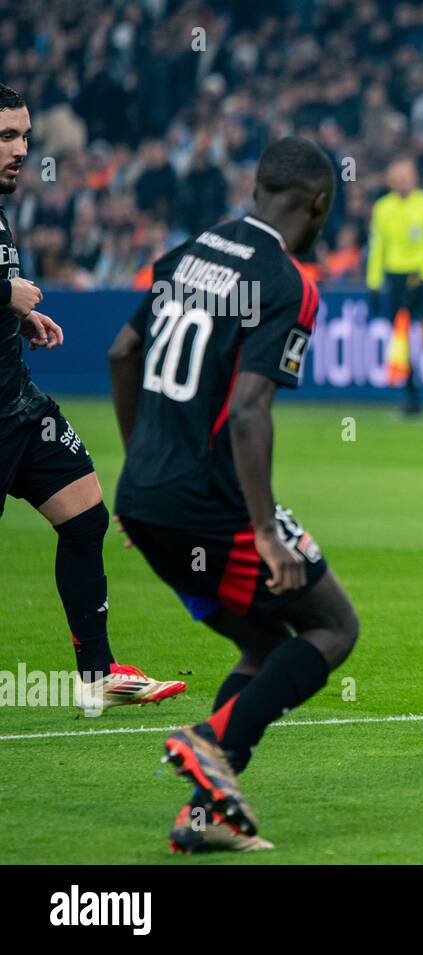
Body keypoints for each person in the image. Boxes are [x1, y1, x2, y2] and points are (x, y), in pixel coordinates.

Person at [108, 136, 359, 853]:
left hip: (146, 496)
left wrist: (144, 469)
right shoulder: (288, 280)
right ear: (317, 203)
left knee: (262, 641)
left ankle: (206, 811)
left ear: (255, 189)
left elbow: (120, 353)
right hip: (211, 505)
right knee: (333, 626)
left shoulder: (185, 254)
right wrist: (265, 531)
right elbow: (250, 409)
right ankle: (209, 738)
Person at [0, 84, 186, 714]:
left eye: (24, 136)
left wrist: (18, 319)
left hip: (18, 408)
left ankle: (96, 674)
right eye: (6, 137)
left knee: (84, 515)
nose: (21, 149)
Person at [367, 158, 423, 416]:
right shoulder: (382, 208)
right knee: (401, 341)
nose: (402, 180)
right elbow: (377, 248)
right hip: (395, 279)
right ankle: (412, 400)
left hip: (421, 278)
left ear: (414, 177)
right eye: (397, 176)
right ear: (389, 179)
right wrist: (373, 284)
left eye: (406, 175)